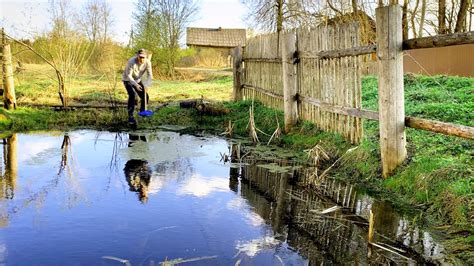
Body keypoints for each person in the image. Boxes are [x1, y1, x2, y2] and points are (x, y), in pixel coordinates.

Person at [122, 49, 153, 125]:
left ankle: (142, 113)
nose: (142, 59)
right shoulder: (131, 61)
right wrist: (136, 85)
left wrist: (147, 85)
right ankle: (131, 117)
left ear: (145, 57)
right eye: (140, 57)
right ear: (137, 56)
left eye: (143, 57)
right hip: (127, 80)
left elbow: (150, 75)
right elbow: (129, 75)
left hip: (137, 80)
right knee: (132, 95)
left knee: (145, 96)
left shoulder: (148, 62)